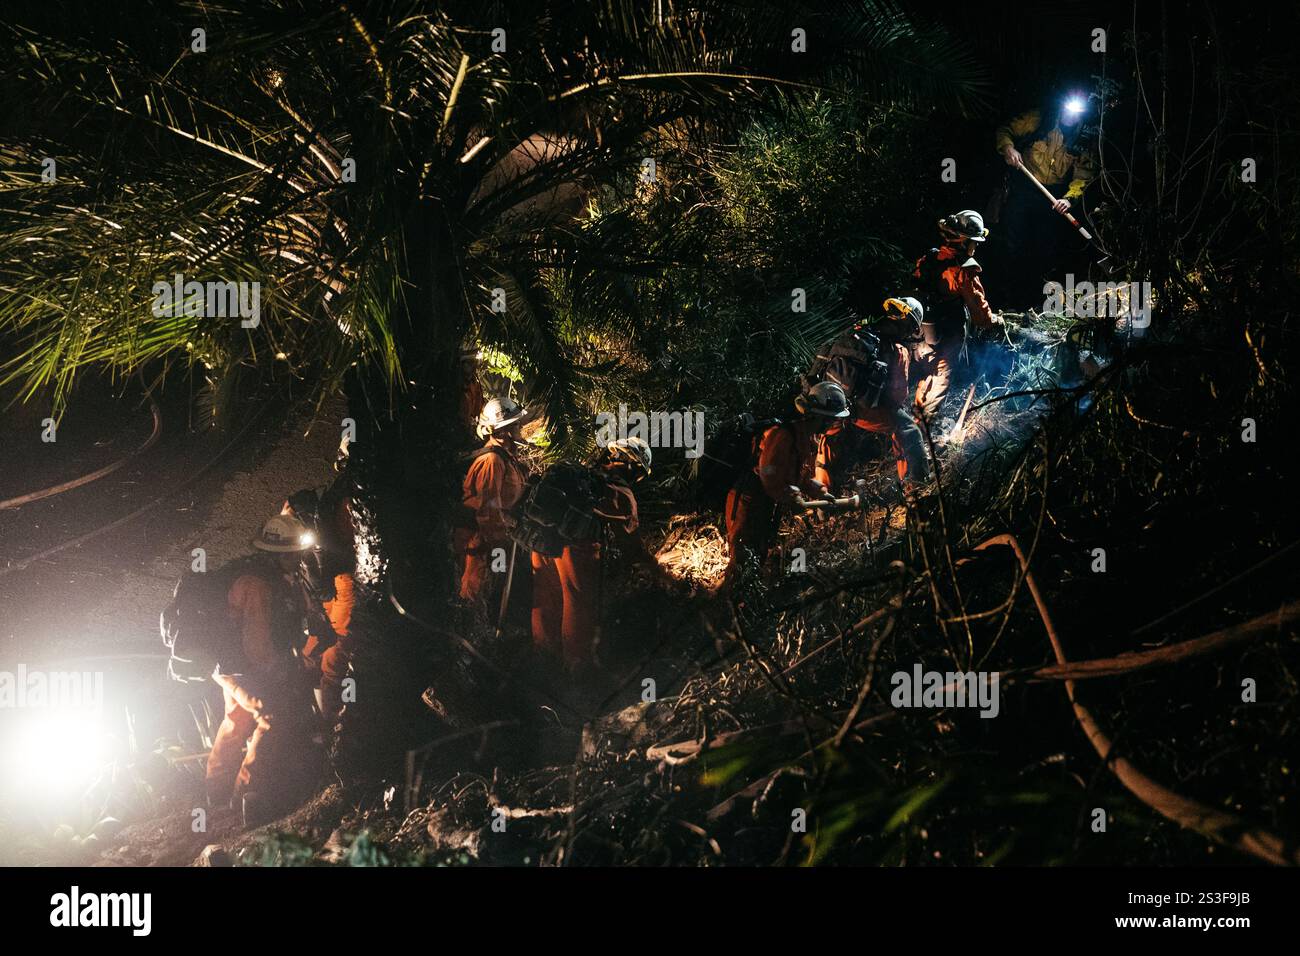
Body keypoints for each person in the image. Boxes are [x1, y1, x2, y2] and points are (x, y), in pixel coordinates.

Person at [205, 514, 320, 825]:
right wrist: (280, 672)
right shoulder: (256, 584)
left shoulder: (274, 577)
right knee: (271, 716)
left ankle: (215, 794)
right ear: (276, 553)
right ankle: (248, 794)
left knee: (236, 720)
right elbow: (257, 644)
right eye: (294, 554)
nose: (298, 559)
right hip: (242, 668)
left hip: (233, 666)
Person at [529, 437, 652, 676]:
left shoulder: (581, 474)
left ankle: (543, 658)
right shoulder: (620, 491)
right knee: (578, 603)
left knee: (546, 596)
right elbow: (631, 543)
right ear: (633, 467)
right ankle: (578, 667)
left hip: (543, 540)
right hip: (576, 549)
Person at [724, 381, 848, 578]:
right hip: (748, 500)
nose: (833, 424)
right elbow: (768, 475)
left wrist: (823, 494)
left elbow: (803, 478)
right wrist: (791, 497)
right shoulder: (783, 434)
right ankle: (724, 602)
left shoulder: (808, 438)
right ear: (818, 416)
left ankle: (746, 602)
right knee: (742, 558)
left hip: (766, 502)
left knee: (758, 555)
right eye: (831, 419)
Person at [991, 93, 1097, 305]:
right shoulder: (1041, 119)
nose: (1070, 115)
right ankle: (1007, 296)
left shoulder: (1083, 138)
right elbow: (1005, 131)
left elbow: (1083, 175)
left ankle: (1037, 299)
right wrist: (1008, 148)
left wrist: (1068, 199)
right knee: (1014, 242)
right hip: (1024, 186)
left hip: (1052, 197)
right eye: (1068, 109)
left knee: (1044, 247)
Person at [817, 297, 930, 488]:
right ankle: (916, 488)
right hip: (862, 409)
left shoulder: (856, 331)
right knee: (908, 429)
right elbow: (898, 396)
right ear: (908, 323)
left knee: (827, 437)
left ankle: (821, 494)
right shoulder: (898, 350)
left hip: (832, 403)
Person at [912, 211, 1002, 423]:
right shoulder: (963, 269)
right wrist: (994, 321)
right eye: (974, 242)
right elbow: (978, 310)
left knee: (926, 375)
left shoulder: (929, 258)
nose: (976, 246)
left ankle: (913, 420)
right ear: (964, 241)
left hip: (918, 333)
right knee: (939, 378)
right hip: (945, 334)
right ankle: (920, 430)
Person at [457, 397, 530, 617]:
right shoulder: (492, 461)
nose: (520, 428)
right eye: (516, 424)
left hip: (492, 533)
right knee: (475, 587)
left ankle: (487, 625)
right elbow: (488, 508)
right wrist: (500, 542)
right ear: (503, 430)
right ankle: (470, 630)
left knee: (491, 584)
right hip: (481, 536)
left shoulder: (504, 457)